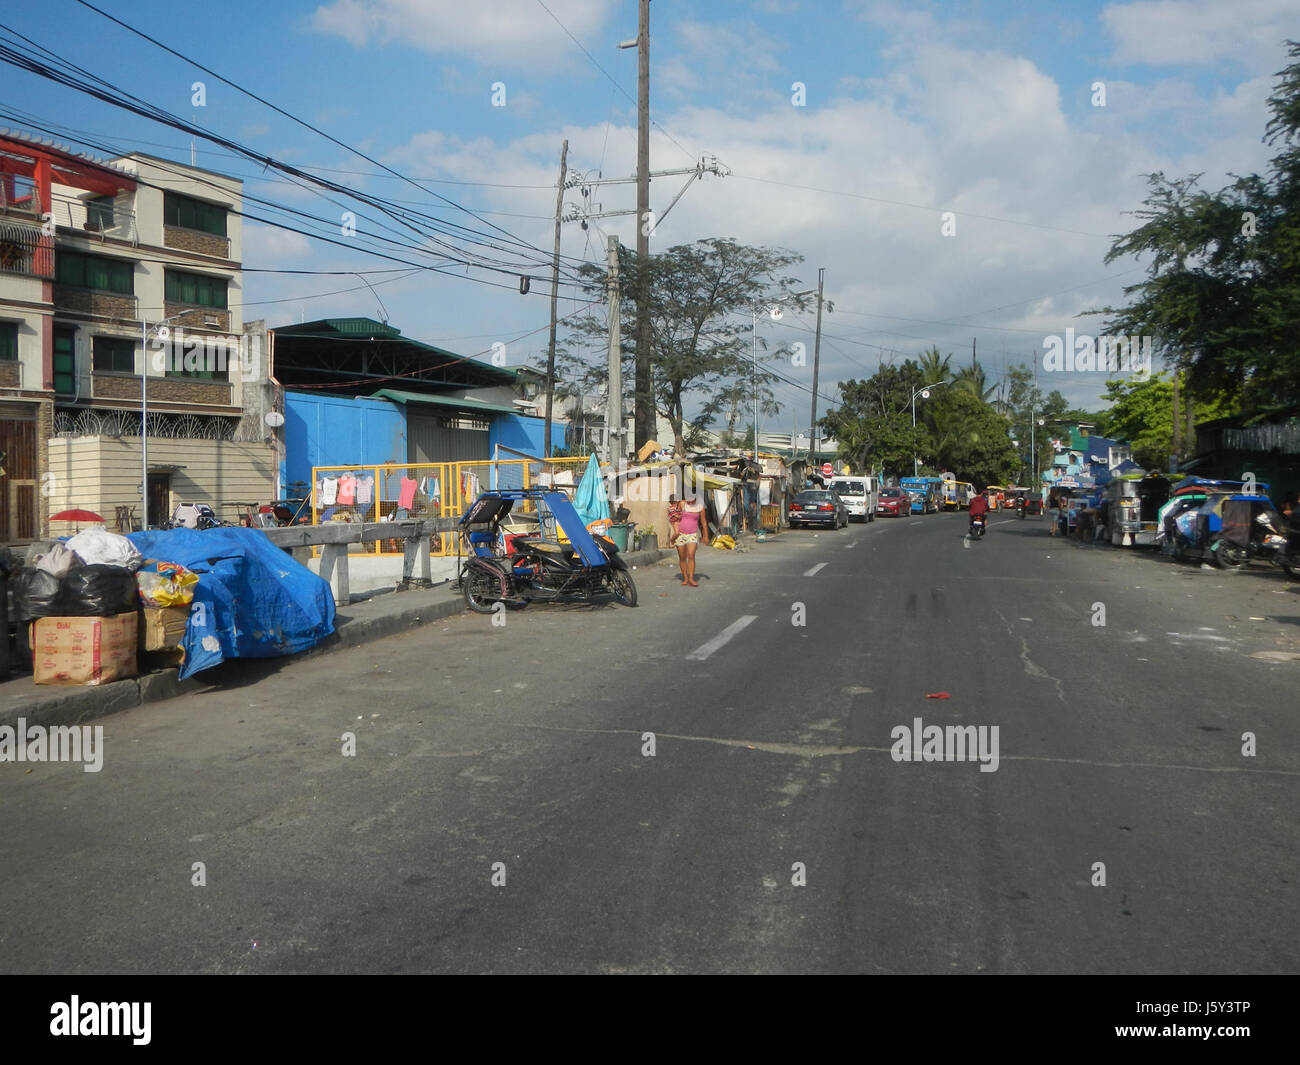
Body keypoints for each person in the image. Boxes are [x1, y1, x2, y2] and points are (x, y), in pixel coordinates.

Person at [673, 492, 709, 586]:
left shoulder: (700, 508)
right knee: (682, 557)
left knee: (691, 555)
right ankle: (685, 578)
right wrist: (675, 529)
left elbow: (704, 523)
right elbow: (674, 515)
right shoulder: (682, 504)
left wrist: (705, 536)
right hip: (680, 534)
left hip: (692, 534)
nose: (689, 500)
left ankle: (691, 578)